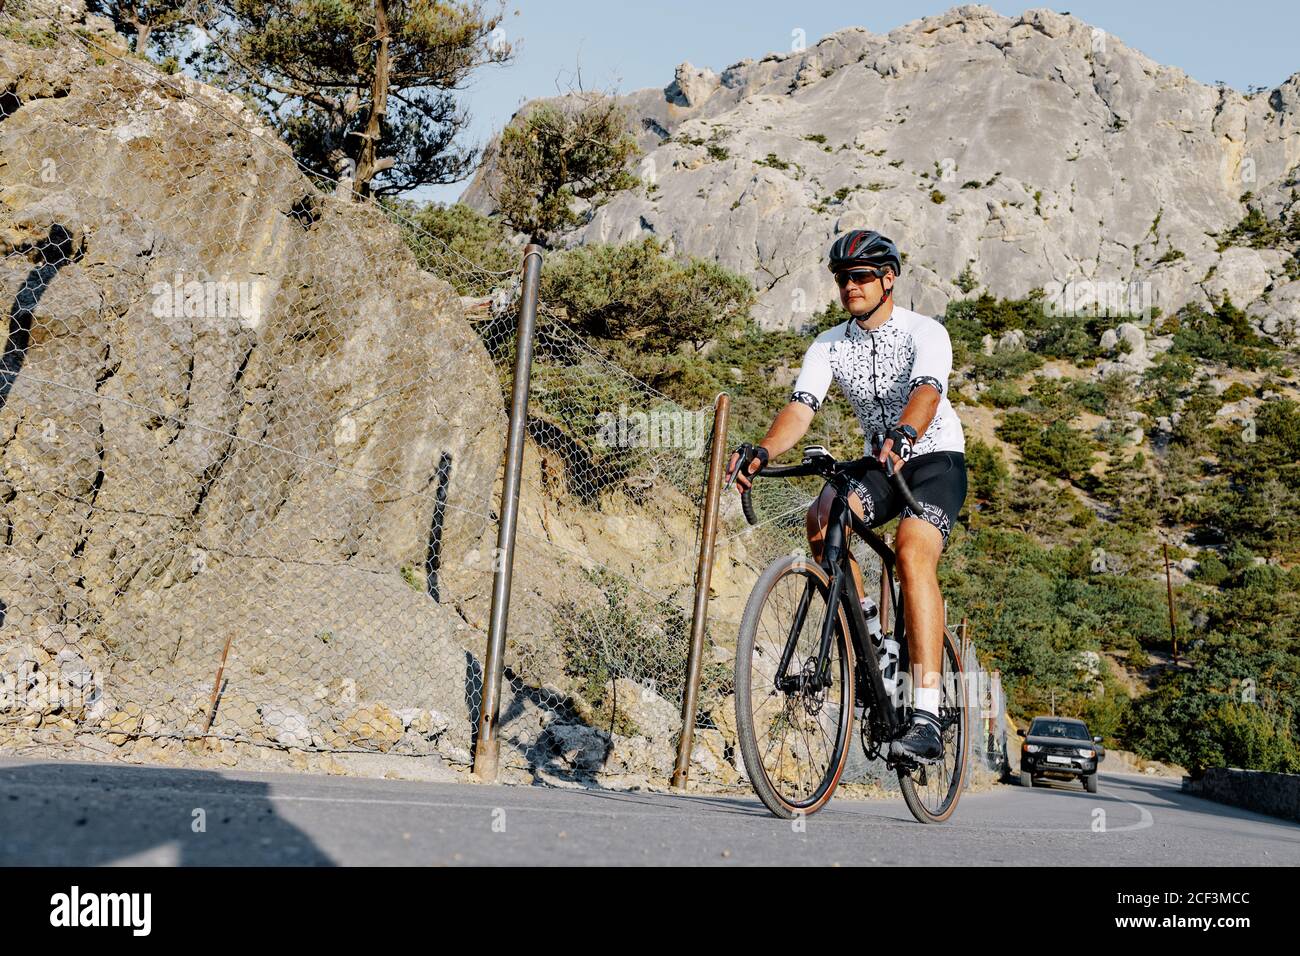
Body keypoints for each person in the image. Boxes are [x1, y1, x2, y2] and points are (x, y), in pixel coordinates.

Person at [725, 229, 968, 762]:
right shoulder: (829, 344)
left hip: (934, 457)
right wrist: (764, 450)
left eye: (860, 277)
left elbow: (927, 391)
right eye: (842, 279)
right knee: (823, 516)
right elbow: (801, 406)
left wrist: (905, 434)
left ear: (888, 280)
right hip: (880, 460)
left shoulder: (926, 332)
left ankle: (926, 712)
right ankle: (872, 641)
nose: (849, 286)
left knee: (910, 551)